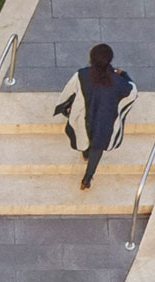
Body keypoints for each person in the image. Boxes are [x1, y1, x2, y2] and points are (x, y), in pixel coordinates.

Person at [51, 42, 134, 191]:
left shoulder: (82, 75)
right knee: (98, 146)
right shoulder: (118, 82)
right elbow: (131, 91)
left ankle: (85, 154)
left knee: (83, 137)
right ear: (109, 60)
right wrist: (123, 74)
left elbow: (69, 91)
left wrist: (66, 109)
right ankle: (87, 178)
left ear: (91, 58)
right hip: (104, 121)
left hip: (84, 117)